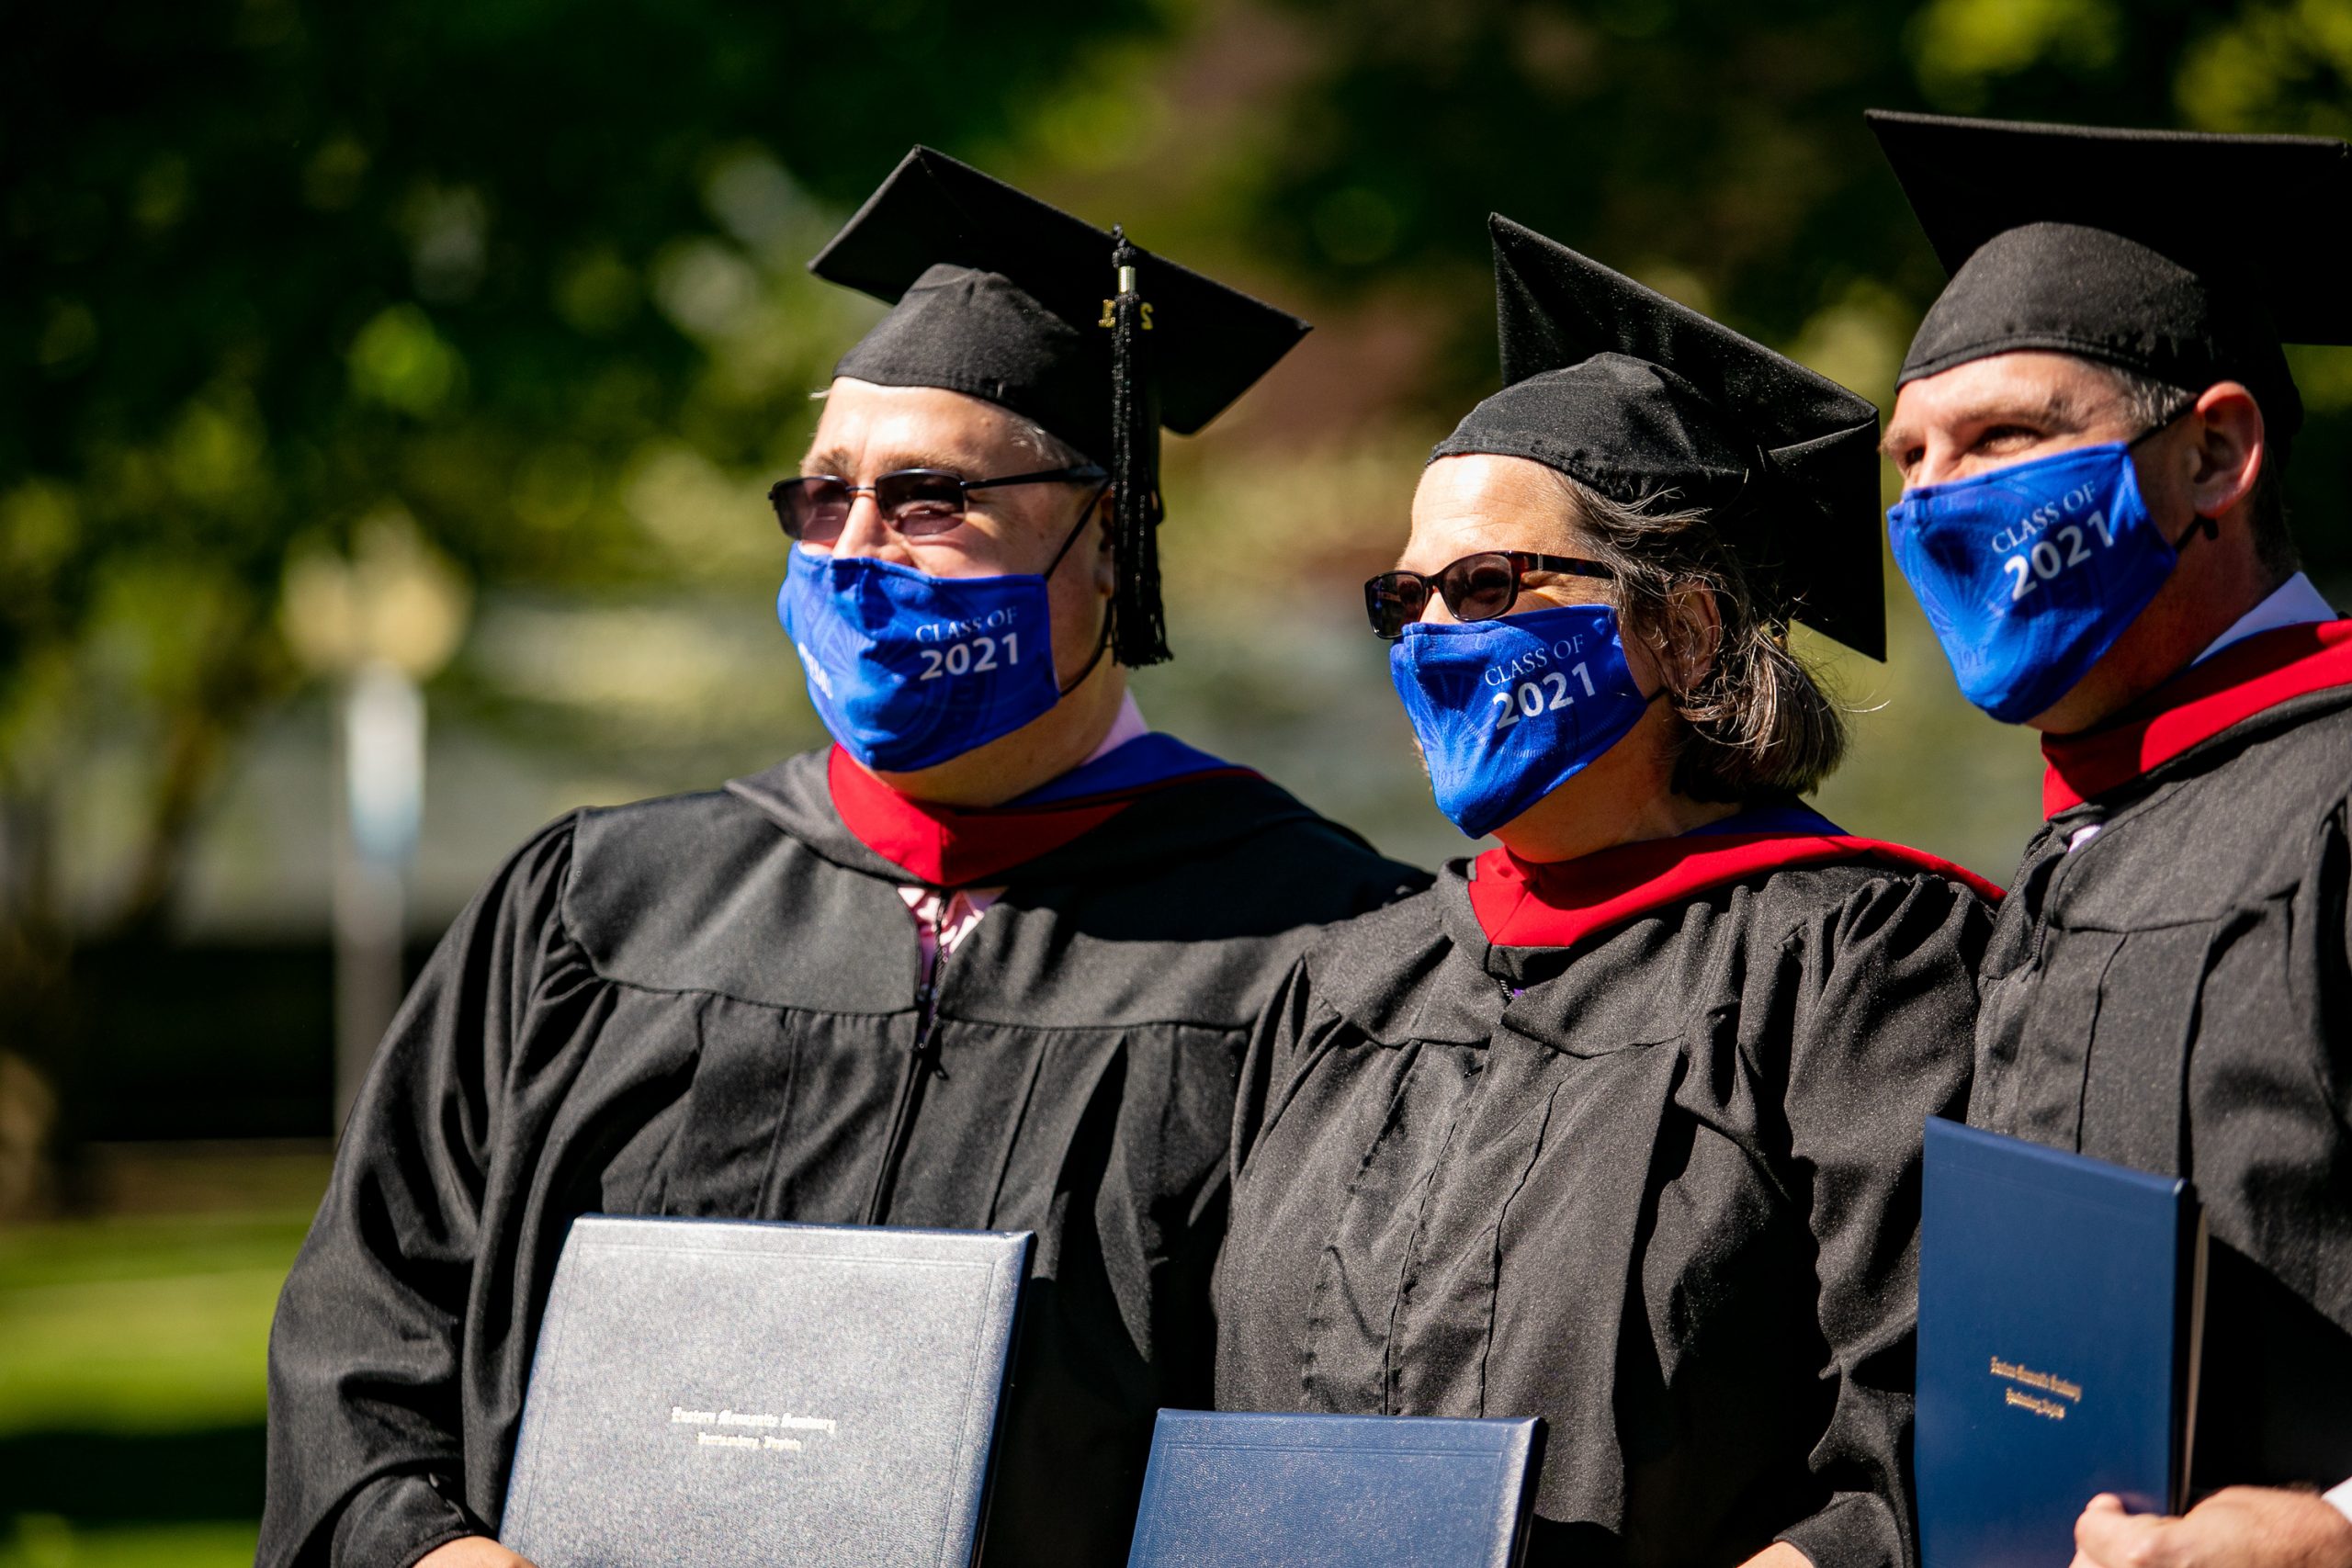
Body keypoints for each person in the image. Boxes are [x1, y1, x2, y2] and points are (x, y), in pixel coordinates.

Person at [257, 148, 1425, 1568]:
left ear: (1112, 541)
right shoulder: (599, 911)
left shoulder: (1318, 947)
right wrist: (431, 1554)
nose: (855, 549)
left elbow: (1343, 1426)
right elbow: (363, 1336)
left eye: (929, 500)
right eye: (823, 498)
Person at [1213, 215, 1997, 1568]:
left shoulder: (1862, 967)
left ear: (1682, 629)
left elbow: (1922, 1456)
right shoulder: (1349, 985)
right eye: (1406, 599)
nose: (1433, 637)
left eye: (1487, 587)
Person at [1869, 109, 2352, 1568]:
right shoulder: (2076, 850)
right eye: (1909, 460)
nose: (1938, 504)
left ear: (2214, 454)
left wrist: (2330, 1534)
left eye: (2005, 439)